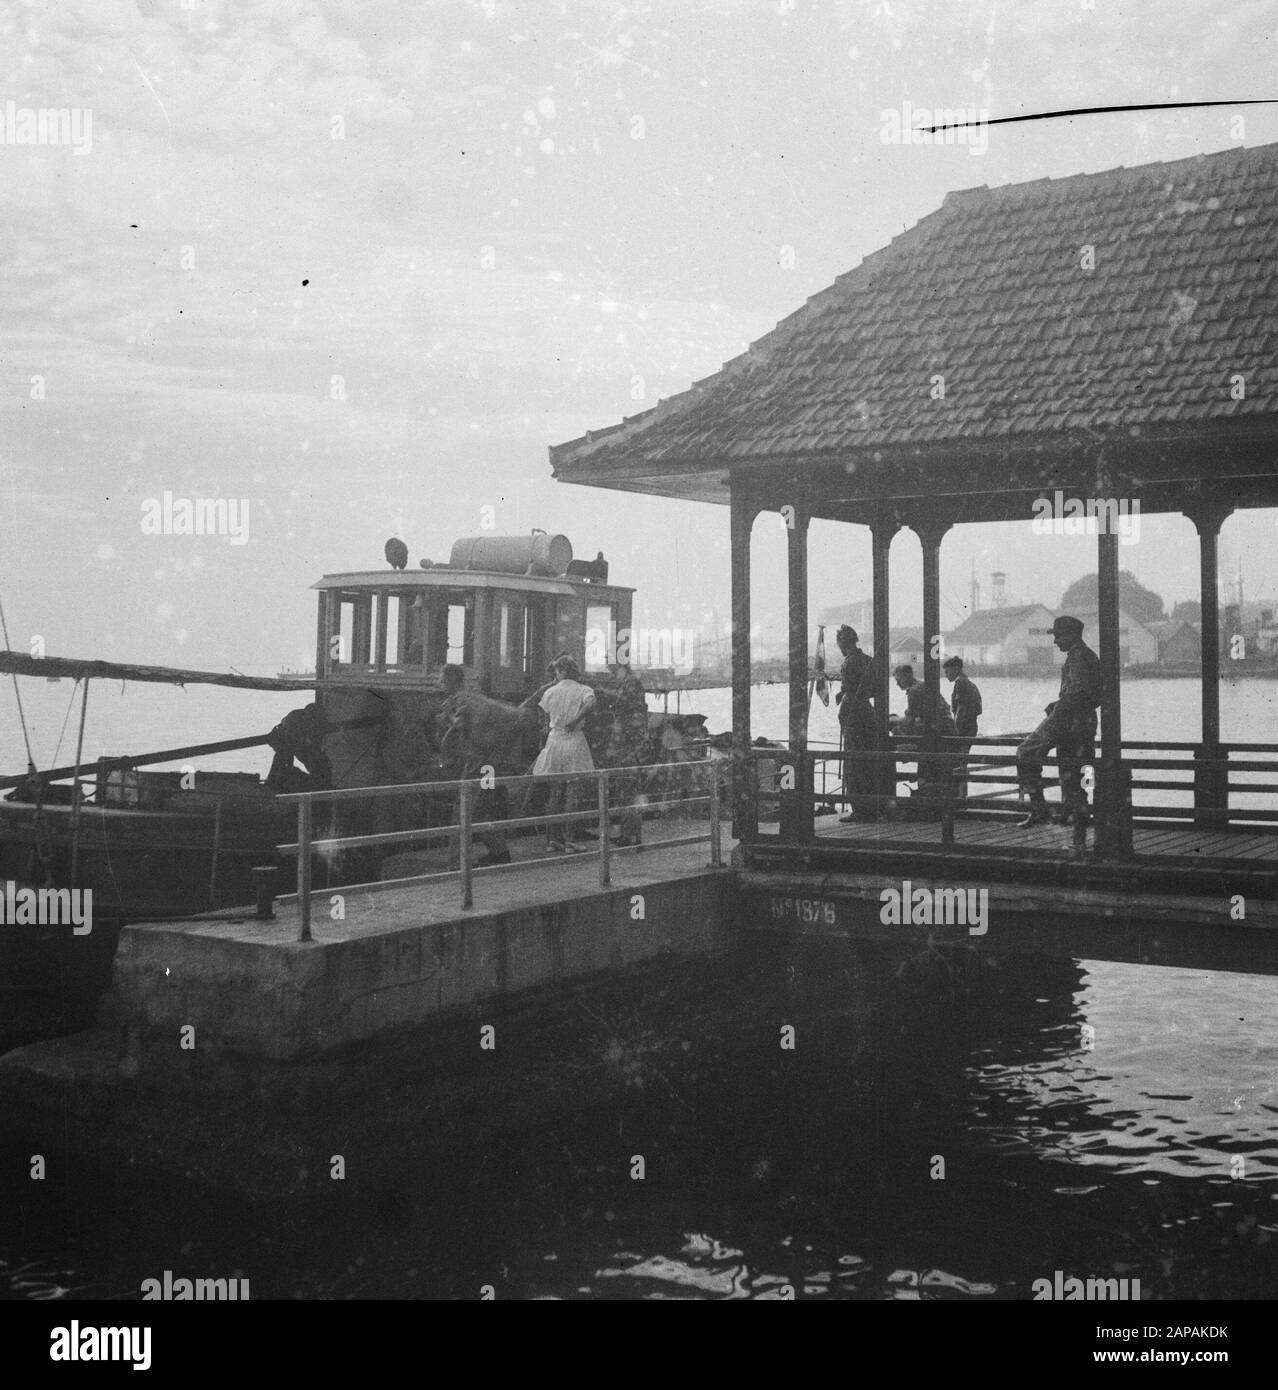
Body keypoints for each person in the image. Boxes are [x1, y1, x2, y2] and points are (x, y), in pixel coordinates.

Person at [1016, 615, 1101, 828]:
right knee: (1075, 768)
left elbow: (1077, 692)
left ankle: (1039, 810)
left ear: (1071, 635)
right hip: (1084, 721)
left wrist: (1058, 708)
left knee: (1026, 752)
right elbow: (1092, 694)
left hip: (1067, 718)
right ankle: (1075, 815)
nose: (1055, 642)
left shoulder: (1078, 657)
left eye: (1058, 636)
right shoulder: (1087, 656)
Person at [531, 654, 596, 851]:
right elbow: (591, 703)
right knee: (572, 792)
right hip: (574, 741)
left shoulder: (550, 692)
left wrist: (550, 727)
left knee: (555, 792)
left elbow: (543, 717)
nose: (556, 675)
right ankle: (570, 840)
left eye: (557, 671)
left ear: (562, 671)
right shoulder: (584, 689)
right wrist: (576, 719)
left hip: (554, 741)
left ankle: (553, 840)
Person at [834, 625, 883, 822]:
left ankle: (860, 810)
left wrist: (845, 695)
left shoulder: (848, 664)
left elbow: (852, 692)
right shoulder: (868, 661)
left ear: (842, 644)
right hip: (868, 716)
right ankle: (871, 808)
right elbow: (876, 689)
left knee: (854, 765)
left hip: (854, 718)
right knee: (869, 764)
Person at [890, 664, 958, 805]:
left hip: (934, 735)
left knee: (926, 767)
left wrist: (893, 722)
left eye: (898, 679)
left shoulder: (914, 691)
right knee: (939, 771)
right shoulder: (924, 685)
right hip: (947, 731)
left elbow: (909, 719)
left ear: (906, 676)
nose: (896, 683)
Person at [600, 663, 649, 846]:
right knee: (629, 792)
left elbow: (620, 708)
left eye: (612, 670)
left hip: (629, 749)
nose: (611, 674)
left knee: (626, 791)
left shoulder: (630, 685)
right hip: (631, 748)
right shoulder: (630, 684)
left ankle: (629, 835)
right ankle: (631, 834)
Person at [943, 656, 982, 804]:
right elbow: (977, 709)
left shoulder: (960, 683)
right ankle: (962, 797)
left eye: (947, 672)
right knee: (963, 762)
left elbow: (961, 709)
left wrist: (956, 731)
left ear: (956, 669)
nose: (946, 675)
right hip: (972, 726)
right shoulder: (971, 684)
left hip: (963, 728)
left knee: (958, 763)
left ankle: (958, 799)